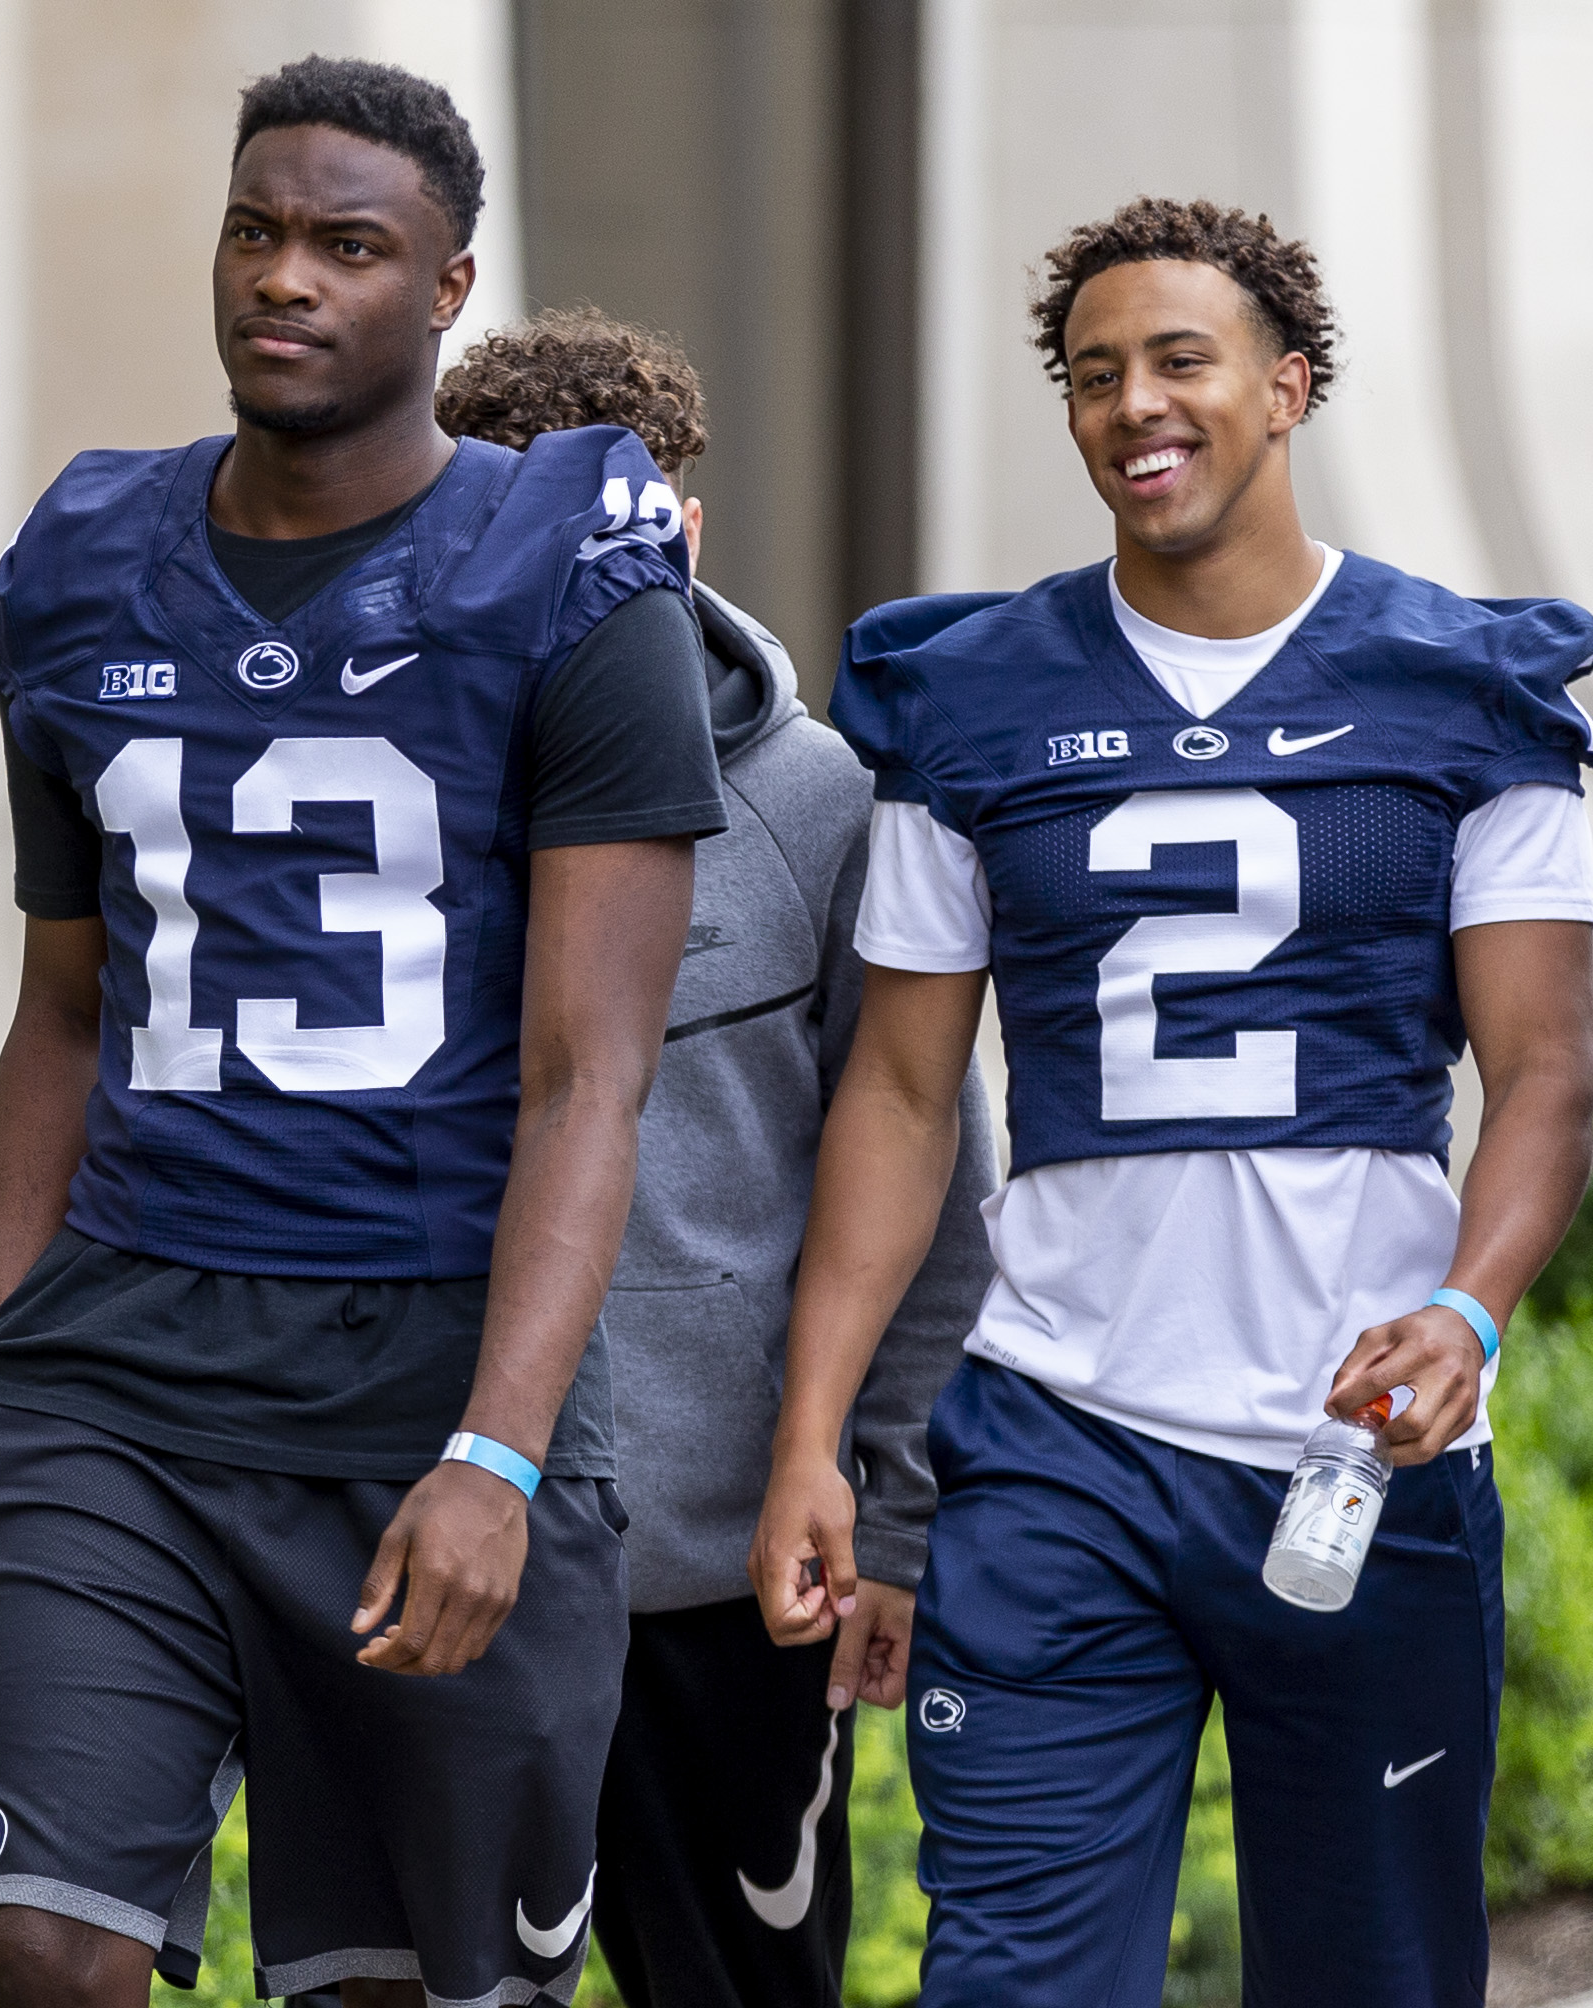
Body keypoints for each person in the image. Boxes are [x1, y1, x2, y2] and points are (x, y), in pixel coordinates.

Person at [0, 59, 723, 2007]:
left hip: (428, 1369)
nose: (287, 277)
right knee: (53, 1943)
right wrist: (4, 1370)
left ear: (449, 289)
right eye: (257, 228)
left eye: (350, 243)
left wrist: (500, 1453)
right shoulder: (88, 564)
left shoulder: (571, 582)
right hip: (121, 1376)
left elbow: (594, 1073)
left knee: (394, 1983)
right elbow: (65, 1012)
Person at [747, 196, 1593, 2007]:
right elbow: (901, 1099)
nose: (1134, 403)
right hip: (1059, 1431)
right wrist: (817, 1432)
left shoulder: (1464, 681)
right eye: (1091, 375)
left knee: (1375, 1978)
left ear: (1289, 387)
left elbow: (1542, 1072)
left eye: (1180, 361)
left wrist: (1471, 1306)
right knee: (1015, 1983)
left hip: (1360, 1441)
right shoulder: (965, 697)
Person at [434, 308, 998, 2008]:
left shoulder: (818, 797)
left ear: (687, 528)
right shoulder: (392, 791)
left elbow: (920, 1178)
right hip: (454, 1536)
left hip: (729, 1568)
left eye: (629, 516)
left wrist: (891, 1509)